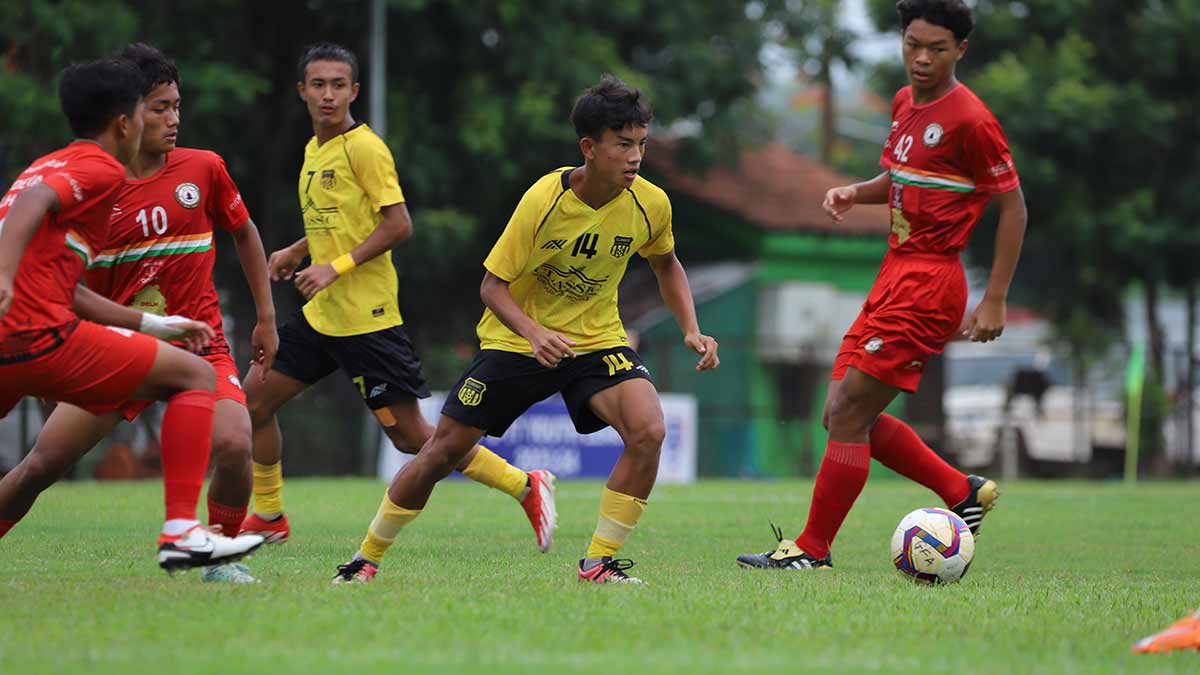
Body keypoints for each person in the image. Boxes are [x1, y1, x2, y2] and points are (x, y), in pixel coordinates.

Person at [331, 74, 720, 585]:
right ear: (589, 147)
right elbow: (492, 286)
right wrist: (535, 334)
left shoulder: (652, 203)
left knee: (649, 430)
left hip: (596, 339)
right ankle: (366, 558)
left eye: (641, 144)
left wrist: (690, 327)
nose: (635, 156)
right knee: (440, 451)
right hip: (516, 340)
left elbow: (666, 264)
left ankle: (599, 563)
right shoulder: (544, 200)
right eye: (623, 144)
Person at [737, 0, 1027, 570]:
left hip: (930, 281)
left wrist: (994, 297)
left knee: (848, 414)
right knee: (841, 414)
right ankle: (962, 492)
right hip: (894, 272)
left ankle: (811, 550)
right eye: (912, 44)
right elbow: (900, 176)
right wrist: (856, 191)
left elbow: (1013, 207)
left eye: (936, 49)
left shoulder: (972, 120)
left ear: (960, 50)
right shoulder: (902, 103)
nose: (921, 58)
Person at [240, 43, 555, 550]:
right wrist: (299, 250)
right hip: (323, 318)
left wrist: (334, 267)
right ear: (302, 91)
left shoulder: (365, 148)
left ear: (354, 91)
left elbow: (397, 223)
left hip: (367, 321)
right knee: (252, 402)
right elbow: (342, 221)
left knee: (413, 439)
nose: (328, 95)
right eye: (318, 85)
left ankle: (524, 485)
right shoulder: (313, 149)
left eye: (338, 85)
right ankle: (270, 513)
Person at [0, 44, 277, 583]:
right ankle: (180, 533)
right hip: (102, 347)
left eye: (178, 106)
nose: (173, 119)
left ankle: (215, 558)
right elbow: (53, 257)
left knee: (235, 441)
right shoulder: (100, 178)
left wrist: (264, 317)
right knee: (40, 467)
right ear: (125, 118)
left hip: (189, 340)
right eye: (159, 108)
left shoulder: (203, 168)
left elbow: (242, 230)